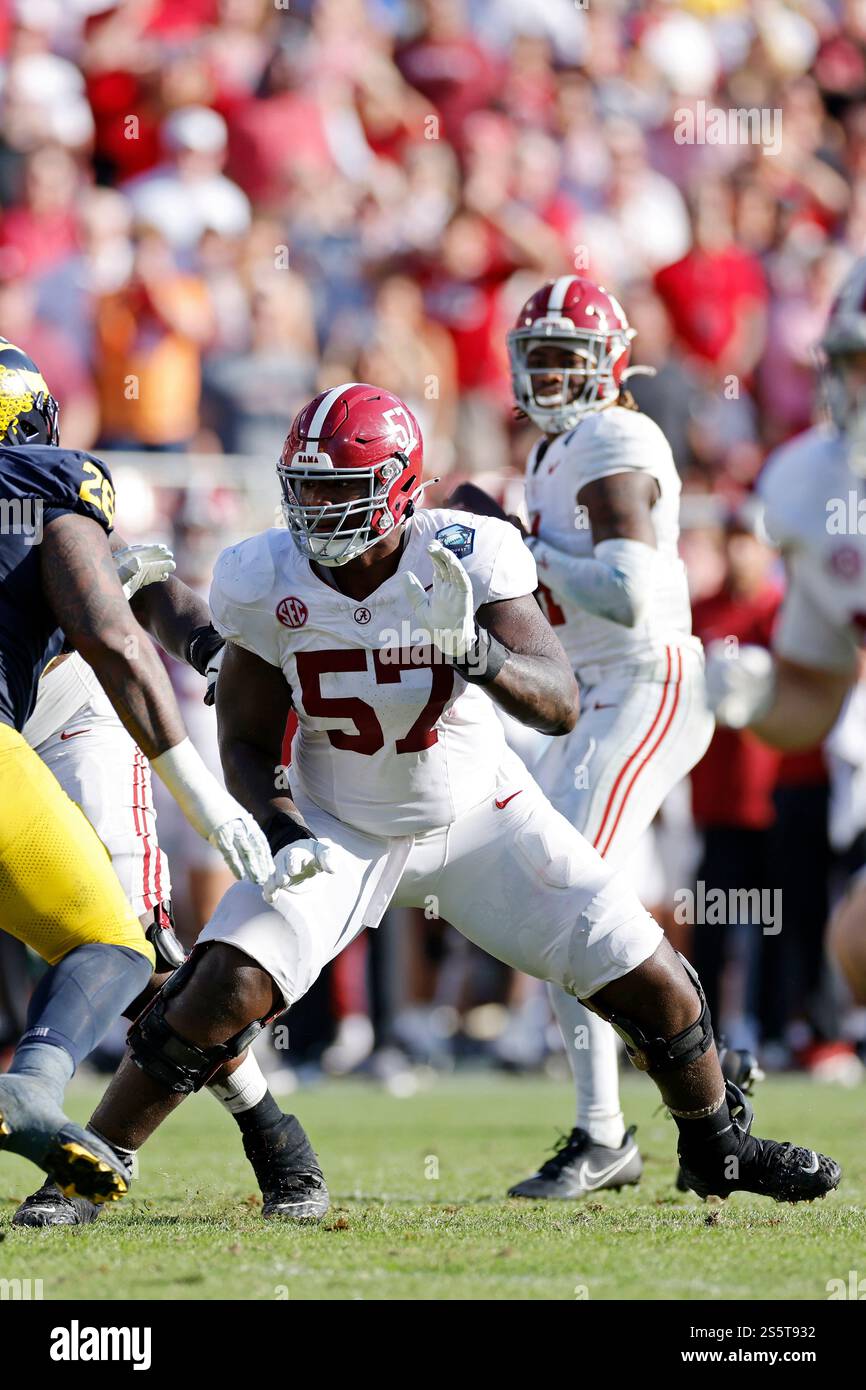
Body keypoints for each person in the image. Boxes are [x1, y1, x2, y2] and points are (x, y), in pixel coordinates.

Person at [68, 382, 839, 1211]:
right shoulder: (262, 574)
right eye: (307, 486)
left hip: (479, 816)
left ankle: (717, 1149)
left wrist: (476, 652)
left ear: (399, 486)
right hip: (343, 822)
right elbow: (248, 740)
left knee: (655, 981)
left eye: (340, 488)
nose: (317, 508)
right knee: (221, 986)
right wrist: (282, 826)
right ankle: (86, 1168)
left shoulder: (466, 553)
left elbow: (559, 698)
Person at [0, 337, 275, 1203]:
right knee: (112, 947)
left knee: (147, 944)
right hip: (27, 718)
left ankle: (266, 1124)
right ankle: (43, 1094)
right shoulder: (54, 480)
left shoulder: (56, 505)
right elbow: (121, 614)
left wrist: (213, 653)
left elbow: (137, 589)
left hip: (75, 706)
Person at [495, 276, 714, 1200]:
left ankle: (606, 1132)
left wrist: (522, 547)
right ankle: (702, 1055)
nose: (547, 374)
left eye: (563, 357)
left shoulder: (614, 437)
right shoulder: (560, 446)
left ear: (608, 364)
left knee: (569, 885)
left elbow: (626, 589)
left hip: (643, 680)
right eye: (535, 356)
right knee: (562, 890)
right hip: (599, 691)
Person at [705, 256, 866, 1013]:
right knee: (857, 945)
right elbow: (815, 688)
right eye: (856, 364)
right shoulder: (814, 485)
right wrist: (761, 692)